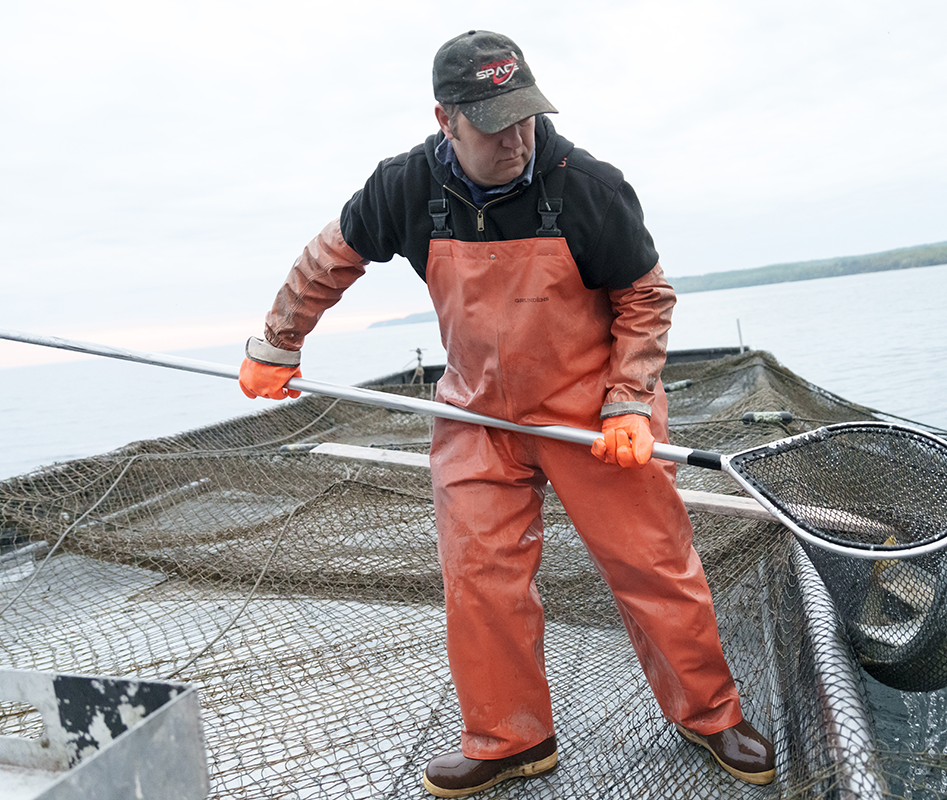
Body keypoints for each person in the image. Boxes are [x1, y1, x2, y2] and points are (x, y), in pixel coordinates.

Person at [238, 29, 776, 798]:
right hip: (477, 413)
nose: (517, 139)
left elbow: (646, 299)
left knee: (652, 566)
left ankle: (710, 715)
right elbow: (332, 255)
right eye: (495, 125)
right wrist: (277, 342)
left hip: (594, 411)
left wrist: (629, 405)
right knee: (480, 579)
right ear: (445, 120)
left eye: (524, 116)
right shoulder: (403, 187)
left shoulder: (585, 184)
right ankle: (511, 739)